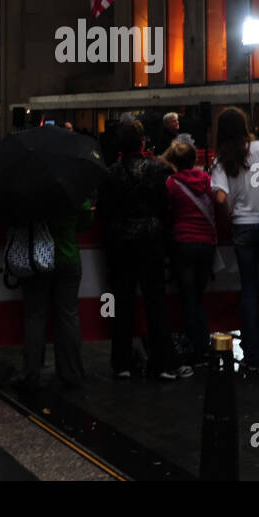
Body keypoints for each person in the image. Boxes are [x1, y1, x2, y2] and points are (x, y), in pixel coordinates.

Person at [98, 120, 189, 380]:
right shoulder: (156, 170)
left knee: (122, 301)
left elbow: (103, 211)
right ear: (142, 143)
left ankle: (122, 362)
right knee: (155, 301)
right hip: (151, 239)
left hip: (120, 242)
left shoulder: (111, 173)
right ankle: (162, 362)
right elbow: (164, 204)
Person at [211, 107, 259, 375]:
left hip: (241, 228)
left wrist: (229, 215)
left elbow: (219, 197)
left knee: (249, 289)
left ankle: (250, 355)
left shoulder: (222, 159)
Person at [15, 194, 93, 393]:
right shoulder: (72, 190)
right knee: (68, 316)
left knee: (34, 316)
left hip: (36, 258)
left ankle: (30, 374)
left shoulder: (30, 192)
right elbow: (84, 222)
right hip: (68, 256)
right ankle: (71, 373)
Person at [163, 138, 217, 366]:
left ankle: (192, 346)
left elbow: (167, 212)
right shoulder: (206, 179)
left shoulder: (172, 184)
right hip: (206, 243)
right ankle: (203, 344)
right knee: (199, 296)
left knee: (188, 297)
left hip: (183, 243)